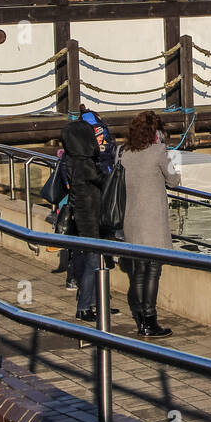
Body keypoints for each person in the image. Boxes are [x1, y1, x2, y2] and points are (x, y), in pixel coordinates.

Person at [118, 110, 181, 338]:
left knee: (138, 272)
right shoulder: (159, 151)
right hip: (153, 221)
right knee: (153, 270)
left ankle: (140, 319)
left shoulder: (124, 152)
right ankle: (150, 320)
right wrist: (166, 151)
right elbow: (174, 180)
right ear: (157, 132)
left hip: (131, 219)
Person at [59, 111, 117, 323]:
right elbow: (104, 180)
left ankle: (97, 303)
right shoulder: (84, 164)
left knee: (96, 261)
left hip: (89, 217)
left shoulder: (72, 161)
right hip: (89, 220)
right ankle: (84, 306)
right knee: (93, 261)